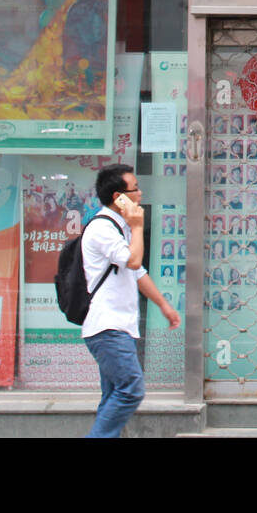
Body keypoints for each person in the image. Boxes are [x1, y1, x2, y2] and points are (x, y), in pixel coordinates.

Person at [81, 163, 180, 439]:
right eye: (134, 188)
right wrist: (138, 226)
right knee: (131, 388)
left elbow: (138, 273)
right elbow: (134, 260)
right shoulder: (102, 228)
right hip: (107, 327)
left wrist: (163, 305)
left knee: (113, 394)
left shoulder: (118, 228)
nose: (140, 192)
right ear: (118, 197)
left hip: (119, 327)